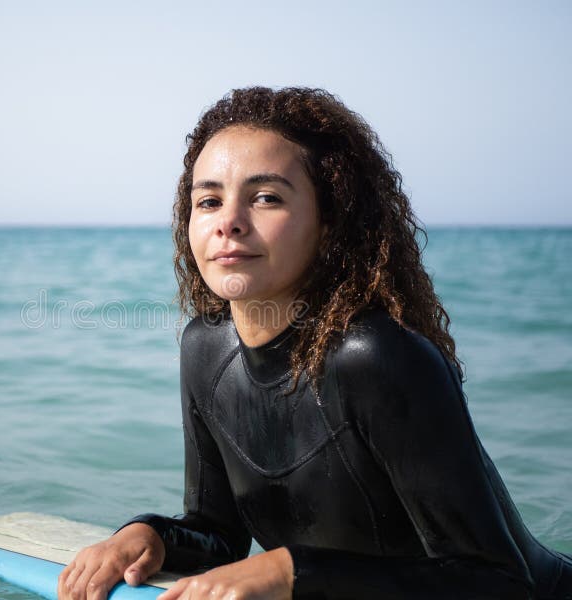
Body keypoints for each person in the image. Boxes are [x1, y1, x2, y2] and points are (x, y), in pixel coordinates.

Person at [57, 87, 572, 600]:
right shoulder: (205, 350)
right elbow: (220, 534)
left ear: (329, 223)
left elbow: (499, 584)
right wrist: (148, 536)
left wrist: (290, 572)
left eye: (266, 198)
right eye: (208, 201)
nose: (228, 222)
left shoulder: (379, 356)